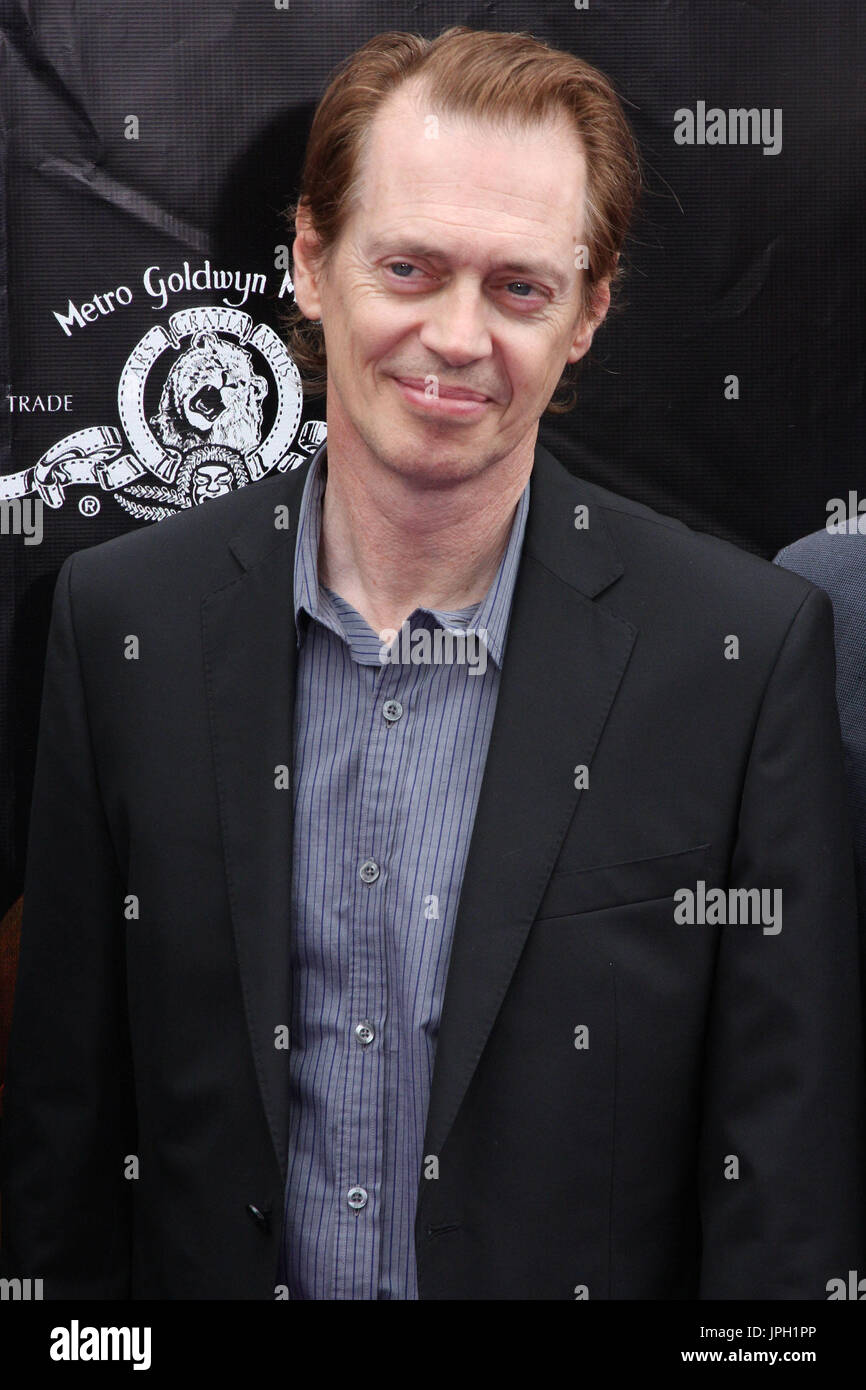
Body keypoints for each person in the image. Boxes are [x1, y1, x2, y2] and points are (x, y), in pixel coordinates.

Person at [1, 25, 863, 1300]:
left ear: (587, 313)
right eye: (408, 268)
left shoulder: (737, 658)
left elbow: (781, 1203)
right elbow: (61, 1169)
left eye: (519, 287)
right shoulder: (121, 626)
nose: (456, 338)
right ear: (308, 262)